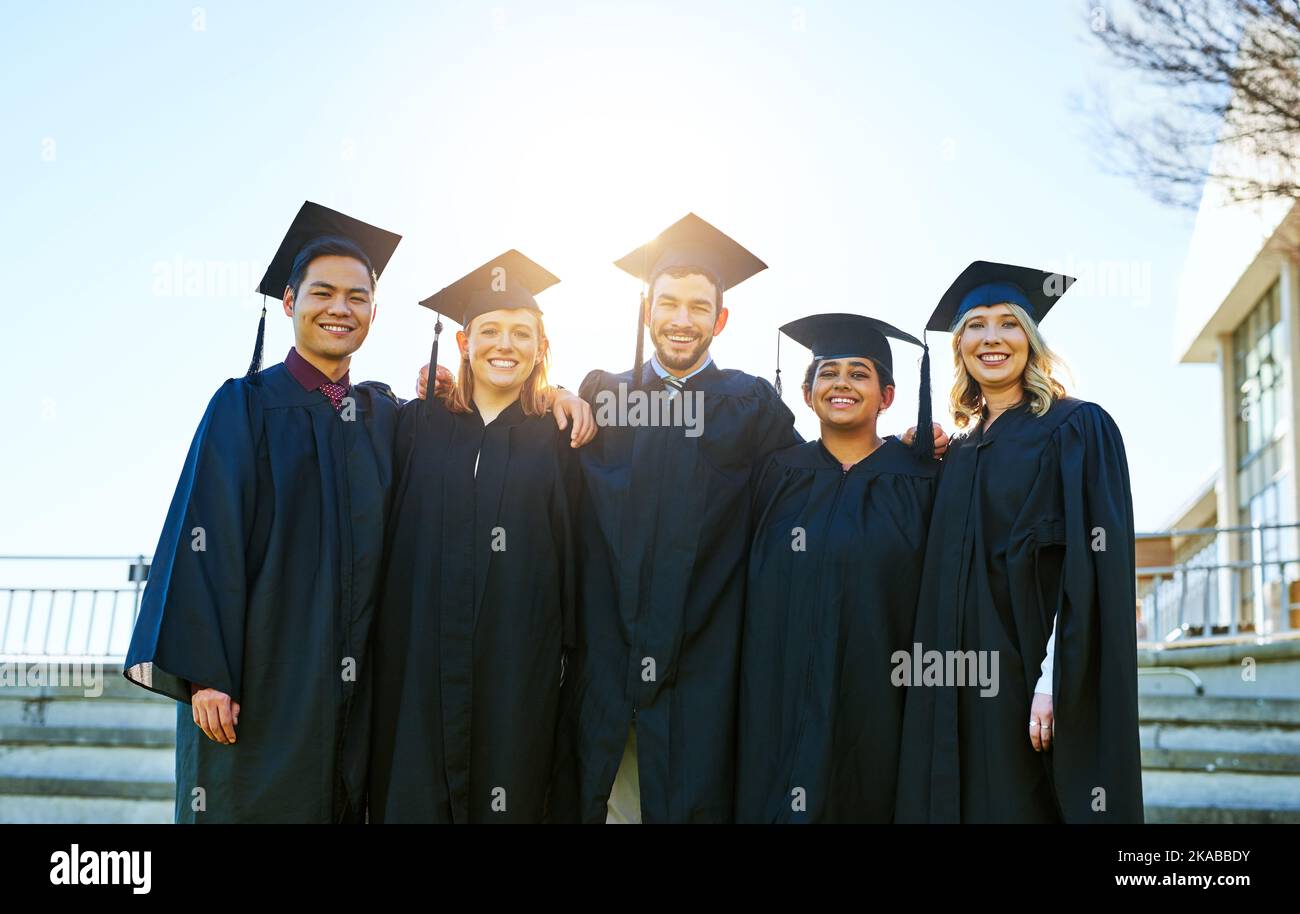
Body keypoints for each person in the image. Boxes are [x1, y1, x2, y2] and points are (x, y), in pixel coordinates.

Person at [548, 215, 947, 823]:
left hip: (704, 672)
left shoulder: (750, 404)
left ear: (720, 319)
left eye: (699, 307)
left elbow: (825, 472)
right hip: (604, 663)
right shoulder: (604, 394)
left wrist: (904, 448)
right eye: (669, 304)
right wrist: (548, 393)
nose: (683, 319)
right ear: (646, 310)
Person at [123, 201, 404, 823]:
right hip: (258, 683)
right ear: (288, 303)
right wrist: (206, 674)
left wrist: (561, 397)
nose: (340, 308)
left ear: (374, 313)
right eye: (323, 292)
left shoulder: (384, 419)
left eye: (357, 298)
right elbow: (204, 533)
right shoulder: (244, 406)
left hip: (356, 696)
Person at [894, 261, 1144, 823]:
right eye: (976, 326)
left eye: (1008, 324)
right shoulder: (953, 452)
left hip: (1027, 681)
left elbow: (1092, 570)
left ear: (1030, 341)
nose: (992, 339)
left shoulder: (1076, 429)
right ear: (959, 348)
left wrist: (1054, 682)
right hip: (952, 685)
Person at [369, 250, 579, 823]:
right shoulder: (416, 426)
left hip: (519, 674)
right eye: (489, 330)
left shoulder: (562, 437)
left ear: (541, 346)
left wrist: (563, 395)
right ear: (463, 342)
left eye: (521, 333)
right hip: (417, 673)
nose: (504, 345)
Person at [736, 313, 938, 823]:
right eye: (827, 373)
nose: (841, 383)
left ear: (887, 397)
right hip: (775, 702)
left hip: (880, 707)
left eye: (859, 372)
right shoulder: (773, 477)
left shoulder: (924, 482)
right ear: (806, 394)